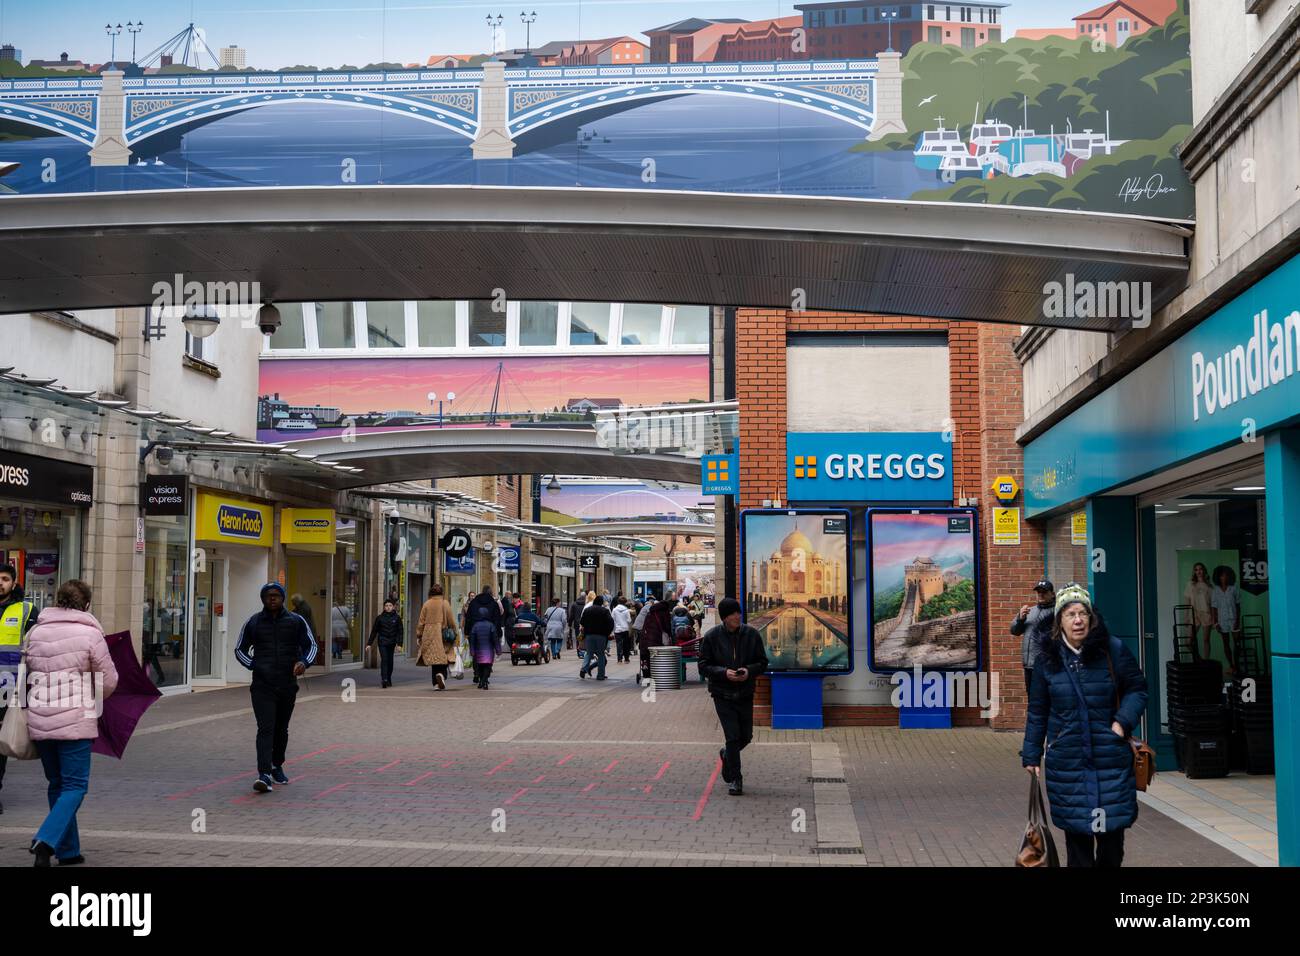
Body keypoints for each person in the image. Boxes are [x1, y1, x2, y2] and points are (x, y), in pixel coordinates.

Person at [1021, 583, 1147, 867]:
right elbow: (1038, 709)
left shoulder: (1112, 650)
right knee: (1078, 848)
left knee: (1111, 847)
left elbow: (1137, 689)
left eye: (1082, 613)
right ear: (1059, 621)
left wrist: (1121, 723)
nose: (1077, 620)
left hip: (1110, 757)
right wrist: (1032, 752)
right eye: (1069, 614)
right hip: (1068, 761)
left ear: (1091, 618)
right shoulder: (1047, 659)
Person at [25, 579, 118, 866]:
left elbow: (26, 668)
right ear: (86, 604)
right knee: (75, 786)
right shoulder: (90, 635)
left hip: (40, 719)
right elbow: (109, 680)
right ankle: (46, 840)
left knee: (57, 784)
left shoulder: (35, 632)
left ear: (57, 600)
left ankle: (68, 852)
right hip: (75, 720)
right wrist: (92, 696)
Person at [235, 582, 318, 793]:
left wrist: (304, 663)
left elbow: (312, 646)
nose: (272, 599)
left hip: (287, 684)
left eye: (276, 595)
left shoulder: (296, 621)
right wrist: (254, 664)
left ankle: (276, 765)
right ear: (263, 599)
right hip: (262, 685)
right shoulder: (253, 622)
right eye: (268, 596)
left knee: (282, 729)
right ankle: (263, 774)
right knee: (266, 728)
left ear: (283, 598)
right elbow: (240, 649)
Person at [697, 597, 768, 796]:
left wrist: (748, 671)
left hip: (745, 692)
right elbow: (703, 665)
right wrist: (723, 672)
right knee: (733, 736)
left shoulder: (751, 635)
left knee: (746, 736)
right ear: (725, 617)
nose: (738, 616)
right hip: (722, 693)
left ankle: (727, 755)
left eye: (738, 612)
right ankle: (736, 779)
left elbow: (762, 662)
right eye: (733, 613)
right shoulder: (712, 636)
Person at [0, 562, 38, 816]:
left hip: (9, 684)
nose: (0, 582)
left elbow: (36, 646)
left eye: (4, 578)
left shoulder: (27, 610)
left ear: (14, 582)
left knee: (1, 742)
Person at [1010, 579, 1055, 693]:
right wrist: (1020, 619)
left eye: (1044, 591)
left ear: (1052, 594)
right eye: (1038, 592)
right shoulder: (1029, 611)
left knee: (1047, 699)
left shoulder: (1057, 612)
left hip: (1047, 665)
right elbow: (1014, 631)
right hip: (1029, 665)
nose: (1041, 594)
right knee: (1032, 699)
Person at [416, 584, 459, 690]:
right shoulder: (445, 603)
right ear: (441, 593)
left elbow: (421, 622)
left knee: (434, 658)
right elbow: (451, 620)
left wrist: (419, 635)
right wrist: (455, 632)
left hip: (429, 634)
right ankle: (442, 675)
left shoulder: (427, 604)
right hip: (443, 634)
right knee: (444, 657)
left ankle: (435, 683)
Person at [1209, 565, 1240, 676]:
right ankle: (1231, 666)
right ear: (1218, 576)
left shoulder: (1234, 588)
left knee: (1237, 644)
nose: (1224, 577)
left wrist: (1237, 620)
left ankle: (1237, 666)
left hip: (1234, 619)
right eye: (1222, 575)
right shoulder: (1215, 590)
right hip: (1222, 620)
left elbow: (1237, 605)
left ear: (1230, 576)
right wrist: (1215, 622)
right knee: (1226, 644)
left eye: (1226, 575)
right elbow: (1213, 607)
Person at [366, 599, 404, 689]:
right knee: (385, 660)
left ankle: (389, 678)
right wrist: (369, 644)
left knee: (390, 662)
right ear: (384, 607)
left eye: (390, 605)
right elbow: (374, 631)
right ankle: (384, 679)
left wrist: (399, 644)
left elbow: (400, 632)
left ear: (393, 607)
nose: (388, 607)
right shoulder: (379, 618)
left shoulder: (397, 618)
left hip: (392, 642)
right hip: (382, 641)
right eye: (386, 606)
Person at [579, 595, 614, 680]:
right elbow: (611, 623)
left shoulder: (587, 610)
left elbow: (582, 622)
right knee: (601, 654)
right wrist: (607, 633)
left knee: (589, 653)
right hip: (601, 636)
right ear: (601, 602)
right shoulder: (605, 611)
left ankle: (583, 669)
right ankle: (600, 675)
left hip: (589, 635)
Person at [1183, 562, 1213, 662]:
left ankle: (1206, 662)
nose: (1198, 571)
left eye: (1200, 569)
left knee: (1206, 640)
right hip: (1194, 613)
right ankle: (1199, 659)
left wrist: (1214, 619)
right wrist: (1186, 616)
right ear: (1194, 572)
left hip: (1206, 614)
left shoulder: (1209, 586)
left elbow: (1212, 604)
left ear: (1203, 570)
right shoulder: (1190, 584)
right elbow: (1187, 601)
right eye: (1196, 569)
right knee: (1188, 642)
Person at [290, 594, 323, 667]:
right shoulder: (304, 606)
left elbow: (299, 618)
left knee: (310, 645)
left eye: (293, 602)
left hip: (307, 629)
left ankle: (309, 661)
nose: (292, 603)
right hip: (309, 629)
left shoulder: (303, 608)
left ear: (296, 601)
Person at [469, 607, 497, 690]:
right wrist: (498, 649)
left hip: (478, 650)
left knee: (480, 666)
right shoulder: (491, 625)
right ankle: (484, 681)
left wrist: (472, 650)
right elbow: (495, 639)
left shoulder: (475, 626)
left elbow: (472, 640)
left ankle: (482, 680)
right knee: (487, 666)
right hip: (488, 650)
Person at [611, 597, 632, 664]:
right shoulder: (626, 610)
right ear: (625, 602)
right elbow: (629, 620)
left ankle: (619, 659)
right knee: (626, 644)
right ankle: (626, 659)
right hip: (625, 629)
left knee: (619, 644)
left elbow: (612, 619)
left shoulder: (614, 610)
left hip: (617, 629)